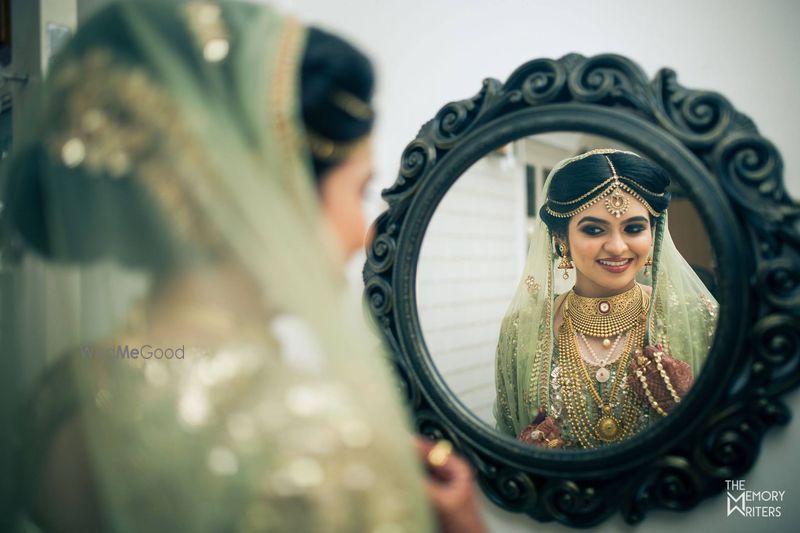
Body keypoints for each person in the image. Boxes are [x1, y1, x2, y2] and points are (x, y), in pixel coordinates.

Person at [0, 1, 486, 531]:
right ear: (273, 198)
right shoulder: (321, 451)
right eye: (358, 191)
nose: (361, 232)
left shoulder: (67, 396)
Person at [494, 148, 719, 449]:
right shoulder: (523, 330)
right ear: (561, 238)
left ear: (653, 233)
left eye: (634, 228)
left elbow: (735, 437)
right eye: (594, 229)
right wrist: (527, 455)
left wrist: (689, 404)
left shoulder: (697, 318)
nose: (616, 246)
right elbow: (506, 436)